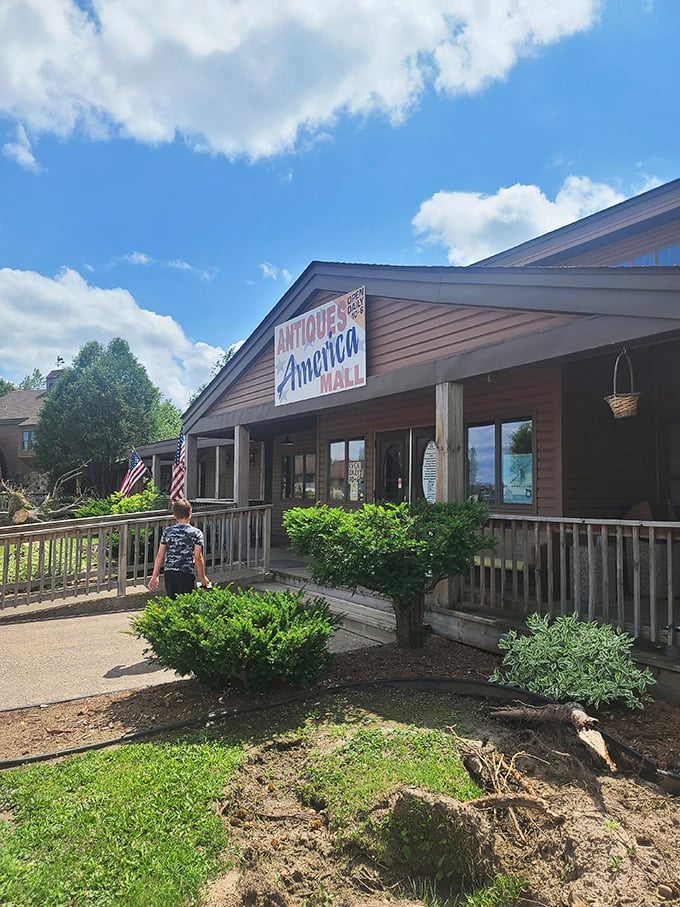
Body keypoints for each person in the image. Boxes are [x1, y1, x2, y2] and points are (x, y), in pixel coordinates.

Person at [148, 498, 210, 598]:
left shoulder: (168, 531)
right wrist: (202, 577)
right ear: (190, 512)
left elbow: (160, 554)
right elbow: (197, 557)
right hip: (186, 573)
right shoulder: (197, 533)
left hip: (169, 573)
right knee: (185, 606)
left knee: (172, 604)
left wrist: (155, 576)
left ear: (174, 515)